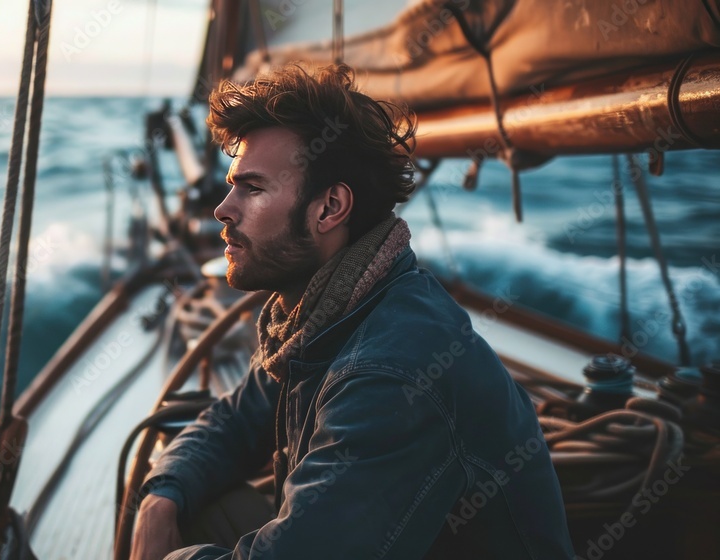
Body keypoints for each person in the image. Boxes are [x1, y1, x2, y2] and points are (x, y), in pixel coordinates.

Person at [130, 64, 574, 560]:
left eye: (252, 188)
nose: (222, 208)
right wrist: (162, 494)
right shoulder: (325, 313)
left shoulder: (391, 372)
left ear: (329, 208)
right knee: (184, 505)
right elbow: (235, 419)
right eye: (232, 185)